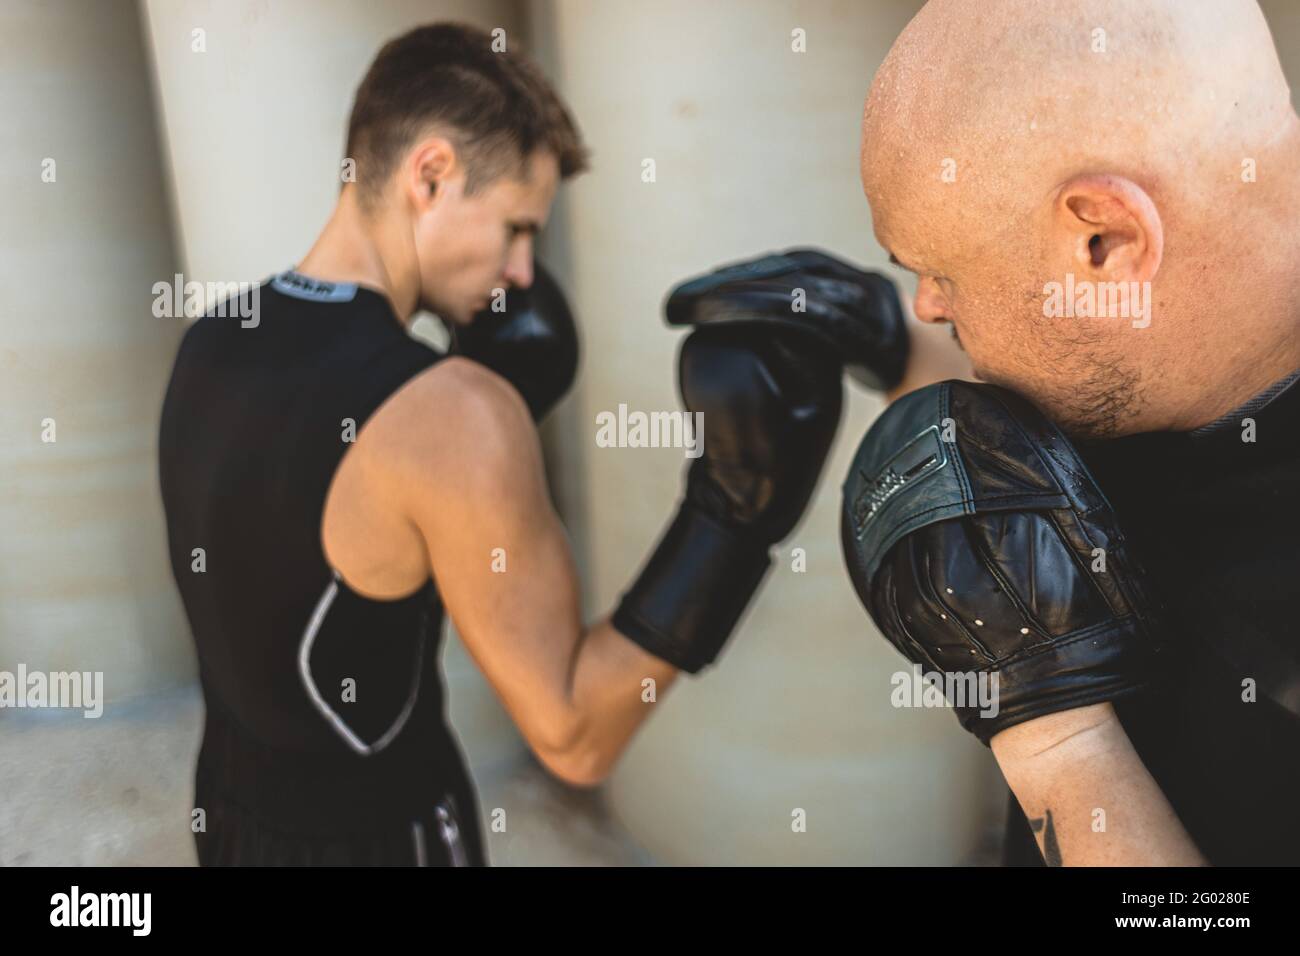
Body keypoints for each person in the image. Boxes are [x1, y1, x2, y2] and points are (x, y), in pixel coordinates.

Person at [158, 22, 906, 866]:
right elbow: (575, 735)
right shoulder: (454, 413)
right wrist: (734, 519)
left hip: (226, 817)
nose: (521, 272)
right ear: (430, 174)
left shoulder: (212, 338)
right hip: (383, 839)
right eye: (517, 227)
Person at [837, 0, 1300, 865]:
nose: (927, 307)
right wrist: (868, 332)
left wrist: (1056, 740)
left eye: (941, 274)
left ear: (1106, 244)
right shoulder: (1151, 349)